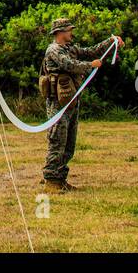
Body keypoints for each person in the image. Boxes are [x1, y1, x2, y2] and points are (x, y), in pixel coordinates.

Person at [38, 18, 116, 191]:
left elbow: (90, 51)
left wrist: (111, 41)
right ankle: (51, 180)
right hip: (58, 103)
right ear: (60, 33)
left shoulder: (70, 48)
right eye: (68, 30)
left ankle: (60, 179)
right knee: (57, 140)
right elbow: (70, 65)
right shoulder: (54, 50)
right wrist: (91, 65)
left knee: (69, 142)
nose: (71, 32)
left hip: (71, 100)